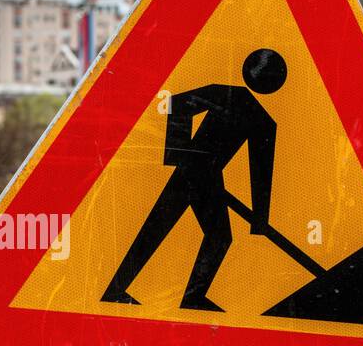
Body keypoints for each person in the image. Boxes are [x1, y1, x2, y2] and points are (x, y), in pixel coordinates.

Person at [102, 48, 283, 312]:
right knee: (214, 236)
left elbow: (260, 170)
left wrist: (260, 219)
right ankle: (190, 298)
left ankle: (119, 290)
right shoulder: (255, 114)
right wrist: (177, 155)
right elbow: (177, 104)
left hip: (201, 172)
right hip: (200, 172)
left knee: (160, 228)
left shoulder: (248, 109)